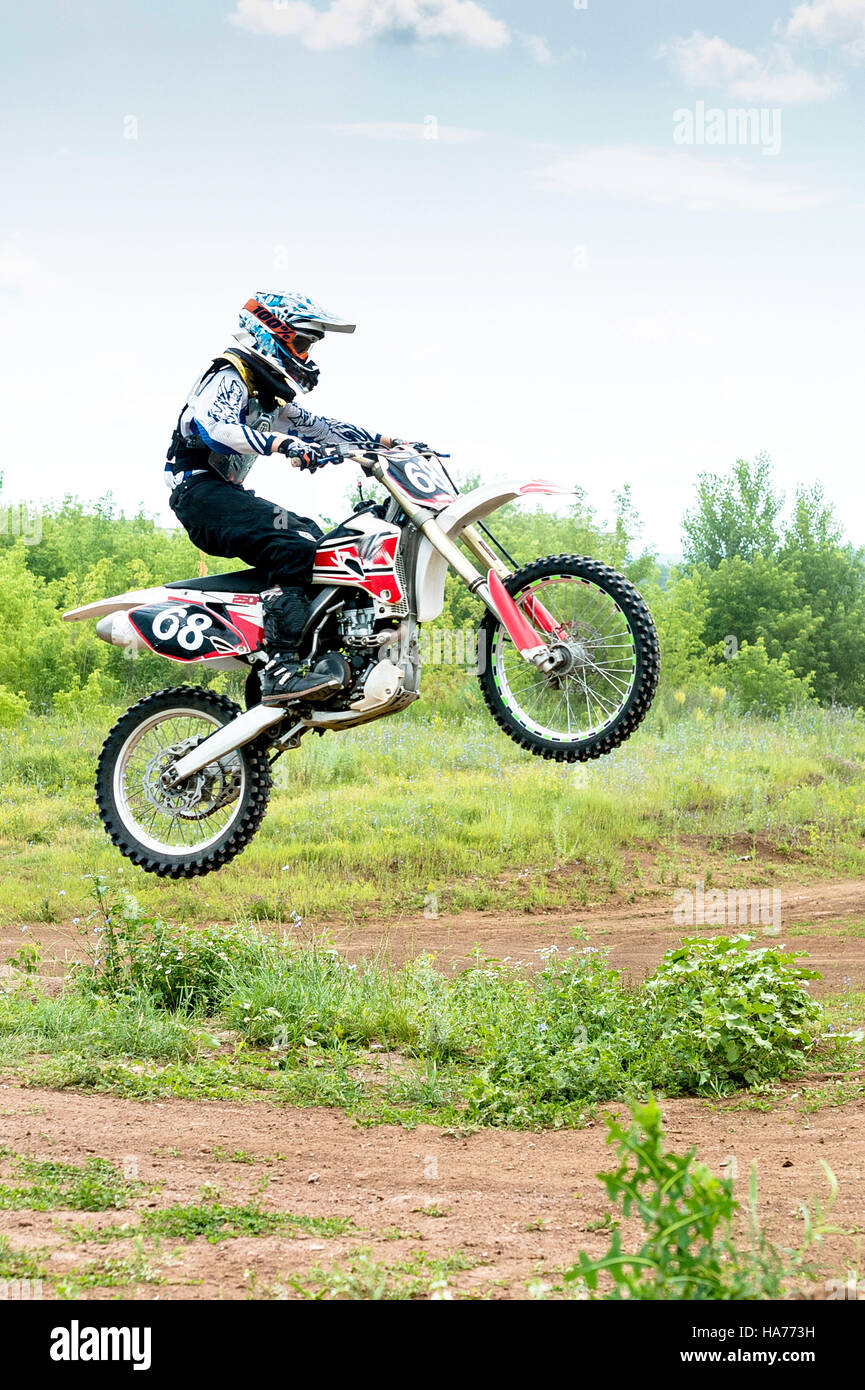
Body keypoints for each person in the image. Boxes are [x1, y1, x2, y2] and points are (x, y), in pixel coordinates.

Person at [166, 291, 406, 705]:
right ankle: (280, 669)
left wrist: (390, 443)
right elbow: (215, 428)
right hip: (199, 492)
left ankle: (309, 653)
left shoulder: (265, 394)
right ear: (269, 334)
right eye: (301, 344)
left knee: (319, 541)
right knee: (294, 544)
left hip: (222, 493)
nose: (307, 355)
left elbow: (320, 427)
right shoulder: (229, 374)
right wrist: (282, 445)